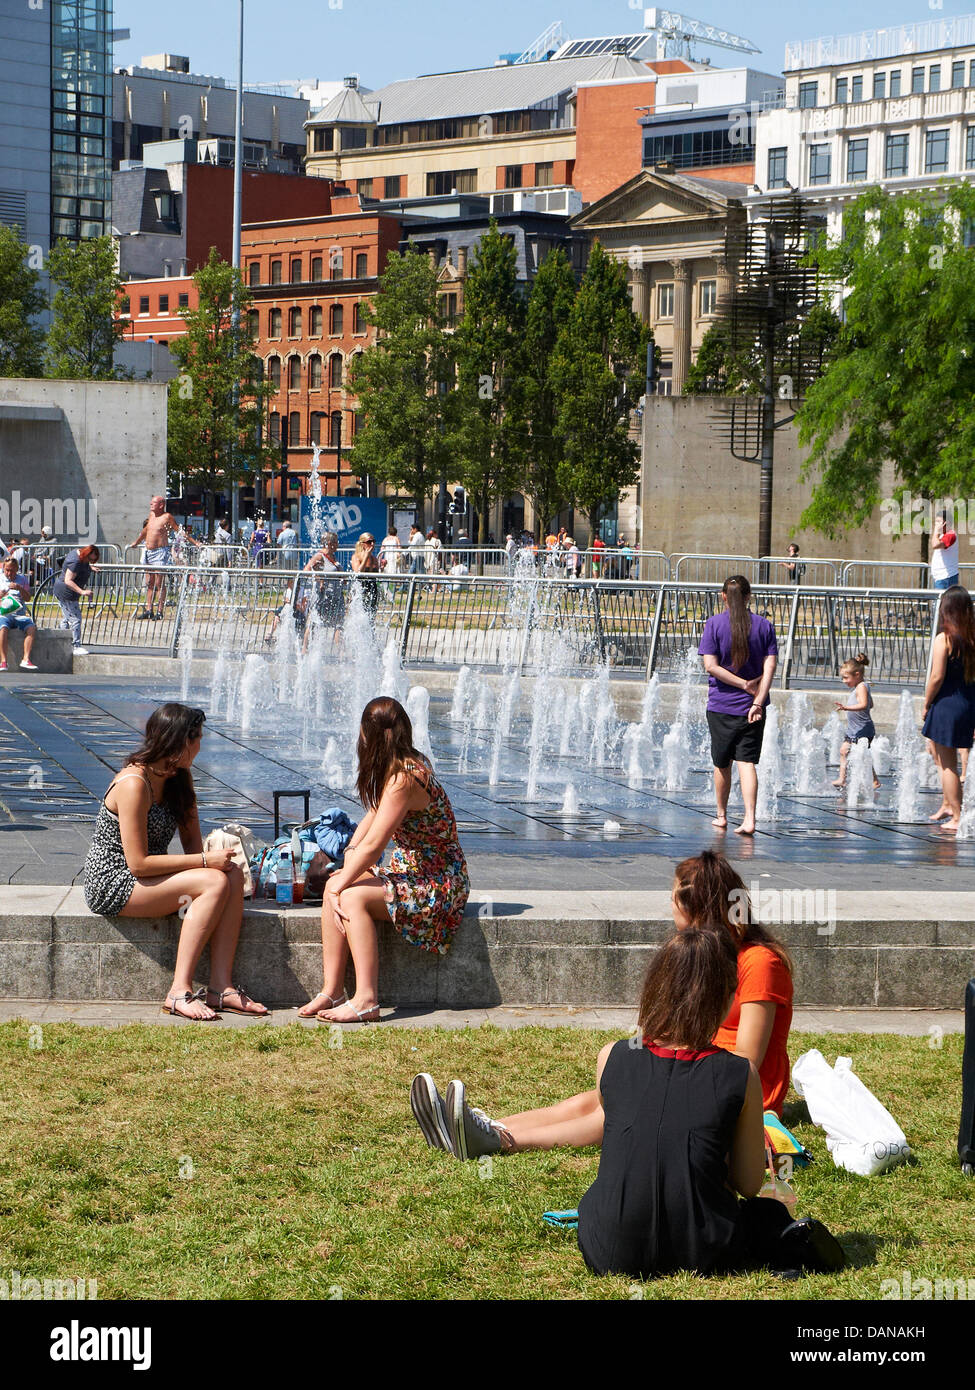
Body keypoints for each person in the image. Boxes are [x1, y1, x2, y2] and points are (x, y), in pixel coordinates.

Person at [412, 848, 794, 1159]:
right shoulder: (705, 957)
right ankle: (481, 1126)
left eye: (675, 901)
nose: (671, 911)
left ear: (698, 908)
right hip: (692, 1067)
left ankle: (498, 1141)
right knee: (596, 1099)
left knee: (614, 1112)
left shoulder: (759, 961)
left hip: (732, 1095)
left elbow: (746, 1060)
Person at [82, 704, 267, 1021]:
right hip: (114, 881)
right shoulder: (133, 784)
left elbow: (193, 846)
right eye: (198, 739)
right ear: (180, 742)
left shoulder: (179, 778)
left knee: (230, 873)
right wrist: (206, 861)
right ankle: (178, 991)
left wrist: (212, 860)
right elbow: (138, 863)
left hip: (146, 878)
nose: (200, 746)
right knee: (213, 880)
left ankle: (221, 986)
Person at [299, 697, 469, 1024]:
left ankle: (366, 999)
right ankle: (332, 989)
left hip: (438, 883)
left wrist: (343, 881)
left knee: (348, 894)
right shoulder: (402, 767)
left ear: (367, 735)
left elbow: (375, 847)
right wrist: (348, 858)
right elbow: (372, 818)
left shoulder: (405, 777)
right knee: (339, 884)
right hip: (420, 872)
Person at [698, 575, 778, 836]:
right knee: (746, 763)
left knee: (722, 763)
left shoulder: (714, 624)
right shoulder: (764, 626)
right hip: (753, 708)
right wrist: (757, 700)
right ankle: (750, 819)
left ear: (723, 596)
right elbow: (770, 668)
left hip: (721, 705)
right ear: (748, 597)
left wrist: (741, 684)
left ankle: (721, 815)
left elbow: (710, 666)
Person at [922, 585, 975, 831]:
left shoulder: (944, 639)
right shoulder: (973, 638)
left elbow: (936, 677)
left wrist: (926, 703)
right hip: (967, 703)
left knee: (946, 765)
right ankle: (946, 804)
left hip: (946, 705)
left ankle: (957, 817)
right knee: (942, 756)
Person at [832, 653, 880, 790]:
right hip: (856, 728)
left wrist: (847, 707)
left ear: (857, 674)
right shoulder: (860, 687)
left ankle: (874, 780)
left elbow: (865, 704)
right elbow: (870, 704)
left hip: (863, 728)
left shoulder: (861, 687)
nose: (844, 681)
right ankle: (842, 779)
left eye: (846, 677)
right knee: (844, 751)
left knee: (860, 755)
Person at [130, 496, 176, 621]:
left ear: (161, 505)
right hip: (148, 552)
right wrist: (136, 542)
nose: (151, 503)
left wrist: (195, 542)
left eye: (154, 502)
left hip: (160, 552)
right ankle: (149, 609)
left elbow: (179, 531)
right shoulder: (151, 515)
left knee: (159, 583)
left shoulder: (167, 517)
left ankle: (160, 611)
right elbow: (146, 530)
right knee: (149, 582)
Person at [53, 544, 101, 656]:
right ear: (86, 554)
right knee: (75, 619)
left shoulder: (79, 553)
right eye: (90, 559)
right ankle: (76, 645)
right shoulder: (76, 561)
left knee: (67, 619)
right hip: (66, 593)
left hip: (68, 593)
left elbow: (81, 565)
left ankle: (60, 641)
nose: (90, 561)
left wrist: (90, 568)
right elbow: (68, 580)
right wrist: (82, 591)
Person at [300, 530, 344, 645]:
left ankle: (341, 655)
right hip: (322, 597)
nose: (338, 545)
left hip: (336, 596)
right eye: (336, 542)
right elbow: (306, 571)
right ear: (330, 543)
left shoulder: (333, 557)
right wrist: (319, 579)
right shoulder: (320, 556)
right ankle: (305, 651)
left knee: (339, 625)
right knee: (314, 623)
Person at [0, 556, 39, 670]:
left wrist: (20, 589)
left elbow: (28, 598)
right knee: (3, 629)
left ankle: (26, 659)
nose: (9, 573)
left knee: (31, 627)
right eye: (7, 570)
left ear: (16, 569)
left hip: (19, 613)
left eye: (12, 570)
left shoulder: (22, 579)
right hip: (4, 613)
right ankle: (3, 661)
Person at [350, 532, 381, 615]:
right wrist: (366, 556)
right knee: (360, 614)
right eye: (369, 542)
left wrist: (382, 567)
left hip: (373, 589)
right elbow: (358, 572)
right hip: (360, 588)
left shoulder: (374, 559)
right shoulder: (356, 556)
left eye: (373, 541)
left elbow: (377, 575)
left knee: (371, 615)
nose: (372, 544)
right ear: (363, 544)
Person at [930, 512, 959, 591]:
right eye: (935, 521)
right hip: (941, 577)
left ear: (946, 523)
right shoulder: (943, 535)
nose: (936, 524)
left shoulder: (951, 535)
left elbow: (935, 545)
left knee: (943, 602)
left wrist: (936, 531)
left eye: (939, 521)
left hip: (946, 578)